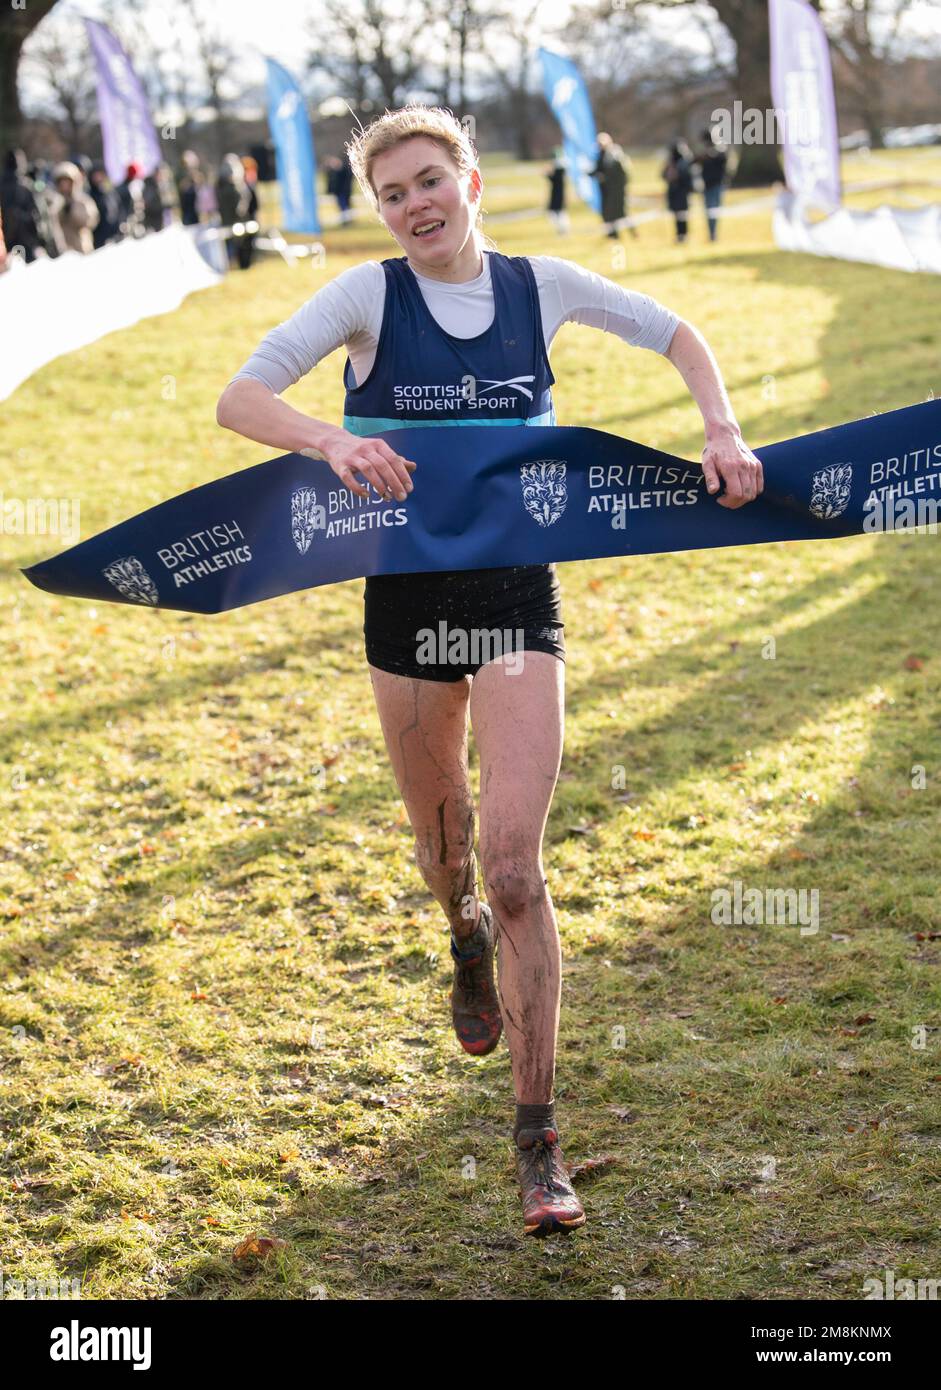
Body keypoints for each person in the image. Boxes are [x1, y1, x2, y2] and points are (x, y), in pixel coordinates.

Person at [215, 104, 763, 1238]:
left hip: (516, 594)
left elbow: (678, 334)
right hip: (405, 601)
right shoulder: (366, 298)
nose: (413, 204)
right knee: (448, 857)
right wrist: (329, 438)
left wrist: (719, 428)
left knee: (517, 865)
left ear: (469, 179)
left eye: (429, 180)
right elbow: (240, 396)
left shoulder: (541, 286)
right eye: (392, 192)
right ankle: (455, 930)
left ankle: (536, 1140)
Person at [591, 131, 634, 240]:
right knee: (607, 213)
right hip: (605, 190)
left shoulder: (615, 154)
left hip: (616, 190)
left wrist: (606, 177)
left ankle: (632, 233)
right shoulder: (601, 155)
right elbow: (599, 169)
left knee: (621, 212)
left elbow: (620, 173)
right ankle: (612, 235)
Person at [50, 161, 99, 254]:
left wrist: (71, 210)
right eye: (61, 182)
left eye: (67, 182)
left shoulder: (83, 200)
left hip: (81, 248)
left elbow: (90, 220)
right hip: (62, 250)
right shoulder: (56, 201)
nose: (64, 185)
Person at [694, 127, 729, 243]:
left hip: (717, 185)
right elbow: (694, 162)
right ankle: (711, 234)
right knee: (709, 211)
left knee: (714, 210)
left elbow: (722, 160)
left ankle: (713, 234)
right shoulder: (704, 154)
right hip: (707, 186)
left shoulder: (720, 151)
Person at [662, 139, 694, 244]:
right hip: (674, 193)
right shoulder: (670, 163)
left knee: (683, 216)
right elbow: (663, 175)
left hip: (682, 193)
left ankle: (684, 235)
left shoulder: (685, 162)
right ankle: (679, 235)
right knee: (677, 216)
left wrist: (678, 177)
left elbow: (688, 179)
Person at [88, 162, 123, 249]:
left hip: (113, 237)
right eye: (96, 175)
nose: (98, 178)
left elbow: (118, 210)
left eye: (100, 175)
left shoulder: (110, 192)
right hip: (97, 239)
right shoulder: (89, 195)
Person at [545, 150, 569, 235]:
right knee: (556, 212)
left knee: (559, 212)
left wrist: (548, 174)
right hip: (556, 193)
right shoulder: (560, 167)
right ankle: (561, 230)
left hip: (558, 194)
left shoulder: (560, 168)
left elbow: (555, 180)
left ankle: (563, 230)